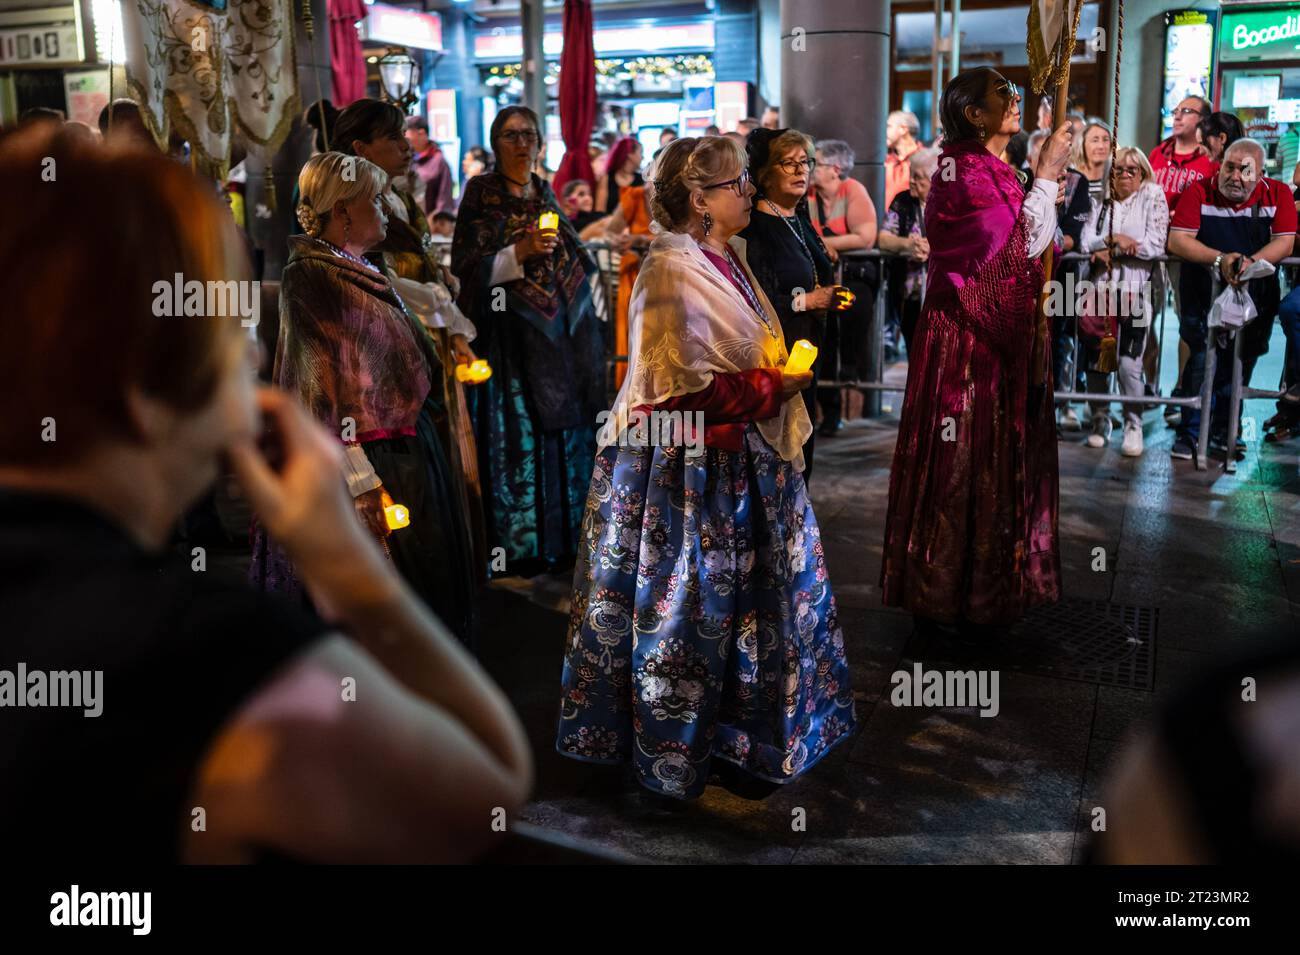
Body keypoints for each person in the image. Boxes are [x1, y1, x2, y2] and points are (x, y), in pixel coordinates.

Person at [0, 125, 531, 863]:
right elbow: (485, 788)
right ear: (144, 392)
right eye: (224, 330)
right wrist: (344, 561)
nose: (254, 354)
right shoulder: (212, 659)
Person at [556, 136, 856, 802]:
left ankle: (739, 738)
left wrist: (773, 381)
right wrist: (771, 387)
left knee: (751, 609)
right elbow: (676, 390)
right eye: (737, 184)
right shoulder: (669, 269)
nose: (749, 191)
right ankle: (674, 749)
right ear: (700, 201)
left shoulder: (726, 255)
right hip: (685, 473)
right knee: (688, 608)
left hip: (741, 462)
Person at [250, 152, 478, 647]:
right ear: (343, 211)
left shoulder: (357, 267)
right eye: (374, 200)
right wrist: (362, 481)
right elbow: (318, 386)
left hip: (406, 446)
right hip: (371, 457)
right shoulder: (310, 276)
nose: (385, 210)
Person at [881, 68, 1073, 635]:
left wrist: (1038, 186)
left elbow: (1039, 248)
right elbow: (999, 262)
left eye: (1015, 93)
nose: (1015, 101)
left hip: (1003, 342)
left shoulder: (1000, 169)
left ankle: (988, 588)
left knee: (994, 458)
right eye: (1002, 96)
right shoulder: (960, 169)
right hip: (966, 340)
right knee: (961, 459)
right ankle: (944, 596)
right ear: (973, 114)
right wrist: (1042, 181)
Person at [306, 99, 487, 595]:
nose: (408, 148)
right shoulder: (321, 274)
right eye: (394, 140)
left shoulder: (383, 226)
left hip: (409, 409)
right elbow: (322, 385)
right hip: (376, 430)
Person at [450, 106, 604, 577]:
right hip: (510, 342)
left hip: (558, 344)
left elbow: (574, 252)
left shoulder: (544, 191)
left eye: (529, 135)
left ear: (540, 144)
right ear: (496, 144)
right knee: (520, 438)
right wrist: (518, 252)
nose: (522, 144)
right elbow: (467, 266)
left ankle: (563, 540)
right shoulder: (481, 193)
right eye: (511, 136)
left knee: (563, 432)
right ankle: (520, 546)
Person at [1166, 138, 1297, 462]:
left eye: (1245, 170)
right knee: (1200, 360)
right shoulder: (1199, 191)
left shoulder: (1277, 194)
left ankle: (1226, 431)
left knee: (1241, 363)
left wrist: (1250, 264)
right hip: (1201, 295)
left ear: (1260, 173)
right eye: (1229, 166)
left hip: (1256, 298)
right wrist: (1220, 260)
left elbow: (1285, 243)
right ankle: (1191, 433)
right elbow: (1178, 240)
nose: (1235, 176)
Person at [741, 127, 851, 482]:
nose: (800, 171)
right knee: (777, 447)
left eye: (805, 162)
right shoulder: (753, 227)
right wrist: (808, 300)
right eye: (788, 164)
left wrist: (827, 296)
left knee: (804, 439)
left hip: (806, 345)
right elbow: (752, 296)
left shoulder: (798, 219)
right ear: (764, 173)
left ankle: (797, 521)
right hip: (773, 353)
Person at [1076, 147, 1169, 457]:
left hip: (1135, 296)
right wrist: (1114, 242)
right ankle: (1101, 420)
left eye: (1133, 170)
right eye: (1119, 170)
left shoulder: (1152, 196)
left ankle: (1133, 422)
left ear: (1143, 173)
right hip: (1099, 295)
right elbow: (1086, 241)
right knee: (1099, 363)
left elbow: (1155, 244)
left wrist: (1113, 248)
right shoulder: (1100, 203)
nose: (1126, 175)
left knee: (1130, 365)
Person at [810, 138, 880, 429]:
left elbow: (865, 236)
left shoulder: (854, 191)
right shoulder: (808, 196)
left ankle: (850, 372)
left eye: (818, 163)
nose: (811, 169)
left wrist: (823, 243)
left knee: (853, 310)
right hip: (820, 277)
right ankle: (829, 410)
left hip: (853, 275)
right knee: (822, 339)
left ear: (835, 169)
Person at [877, 147, 938, 355]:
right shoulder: (903, 201)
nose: (911, 181)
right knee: (915, 350)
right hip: (909, 293)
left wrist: (934, 247)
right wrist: (907, 245)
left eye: (919, 177)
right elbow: (883, 239)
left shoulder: (950, 203)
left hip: (940, 293)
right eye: (912, 174)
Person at [604, 181, 654, 388]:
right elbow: (609, 233)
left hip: (665, 267)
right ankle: (632, 388)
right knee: (633, 330)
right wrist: (617, 242)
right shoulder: (635, 196)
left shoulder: (681, 196)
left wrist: (640, 239)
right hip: (634, 270)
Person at [1150, 96, 1214, 209]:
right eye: (1176, 112)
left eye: (1186, 111)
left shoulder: (1211, 159)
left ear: (1203, 120)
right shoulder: (1158, 153)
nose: (1177, 117)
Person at [404, 115, 455, 218]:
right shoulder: (406, 157)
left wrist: (434, 221)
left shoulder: (438, 161)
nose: (404, 138)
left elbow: (444, 199)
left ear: (421, 132)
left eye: (406, 133)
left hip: (429, 225)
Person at [594, 135, 644, 215]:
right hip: (610, 225)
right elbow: (599, 211)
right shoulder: (606, 178)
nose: (642, 157)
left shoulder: (642, 180)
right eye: (640, 152)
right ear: (629, 154)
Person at [885, 110, 922, 208]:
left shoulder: (925, 159)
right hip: (887, 221)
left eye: (888, 126)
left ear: (903, 129)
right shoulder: (885, 160)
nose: (883, 131)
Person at [1072, 120, 1112, 204]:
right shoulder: (1070, 181)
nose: (1101, 146)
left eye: (1105, 140)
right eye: (1095, 140)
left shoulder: (1115, 180)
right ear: (1082, 144)